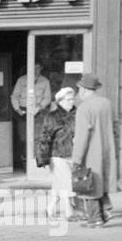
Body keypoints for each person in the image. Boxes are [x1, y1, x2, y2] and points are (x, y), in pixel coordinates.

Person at [70, 74, 115, 229]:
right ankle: (106, 209)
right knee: (100, 181)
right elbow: (114, 128)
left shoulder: (84, 107)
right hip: (107, 149)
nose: (78, 92)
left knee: (89, 184)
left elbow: (82, 136)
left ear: (83, 89)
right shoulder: (107, 104)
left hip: (91, 152)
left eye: (79, 89)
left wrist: (76, 159)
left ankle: (95, 218)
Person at [37, 86, 78, 224]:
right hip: (57, 155)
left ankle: (50, 209)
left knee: (59, 186)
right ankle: (69, 212)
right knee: (68, 183)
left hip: (74, 154)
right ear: (60, 101)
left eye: (73, 99)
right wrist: (42, 157)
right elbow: (45, 138)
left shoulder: (78, 114)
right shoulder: (52, 117)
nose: (71, 102)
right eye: (68, 99)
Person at [11, 62, 52, 163]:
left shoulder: (45, 81)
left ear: (41, 68)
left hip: (38, 111)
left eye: (37, 67)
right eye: (33, 68)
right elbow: (14, 96)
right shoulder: (21, 80)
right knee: (23, 137)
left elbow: (47, 98)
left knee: (38, 137)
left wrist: (39, 108)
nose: (35, 70)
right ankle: (26, 162)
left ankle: (36, 161)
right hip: (23, 111)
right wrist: (18, 110)